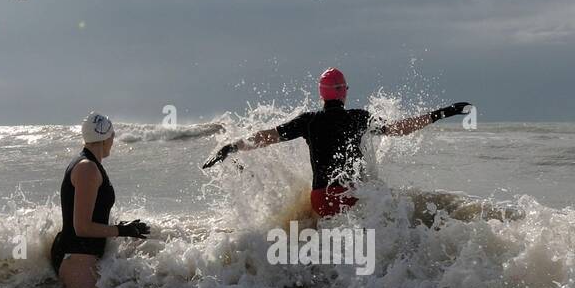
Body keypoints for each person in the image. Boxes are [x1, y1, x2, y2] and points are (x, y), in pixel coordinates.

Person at [201, 69, 471, 216]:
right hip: (352, 197)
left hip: (320, 199)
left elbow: (266, 137)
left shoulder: (308, 121)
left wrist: (231, 146)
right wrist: (442, 112)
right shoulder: (358, 118)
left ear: (322, 94)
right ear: (343, 93)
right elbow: (400, 129)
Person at [50, 112, 151, 288]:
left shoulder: (88, 164)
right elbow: (82, 227)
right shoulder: (87, 168)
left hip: (77, 256)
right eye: (112, 135)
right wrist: (122, 230)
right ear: (105, 136)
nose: (113, 139)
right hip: (77, 259)